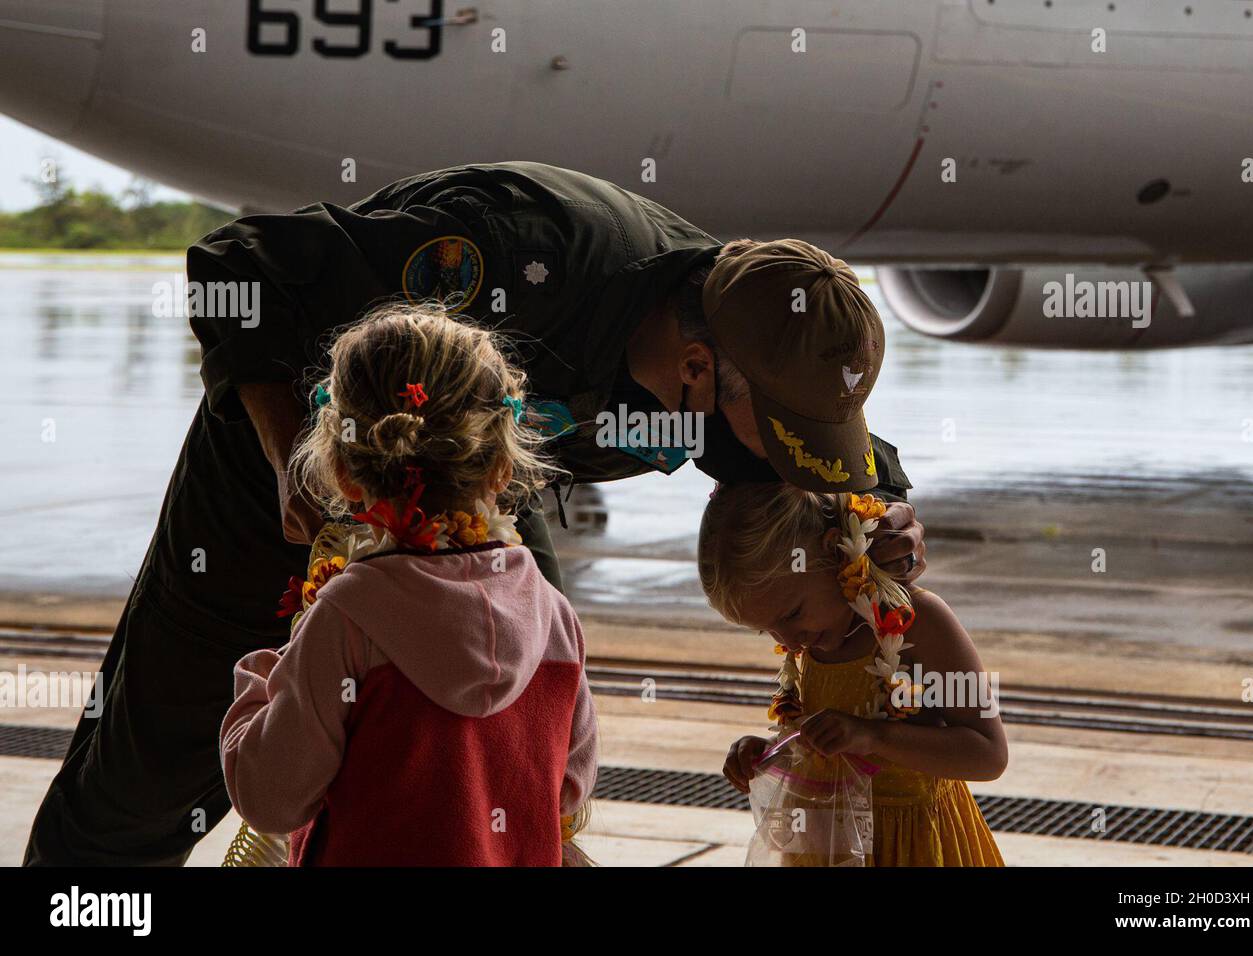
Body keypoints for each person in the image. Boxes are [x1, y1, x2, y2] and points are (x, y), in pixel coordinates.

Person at [25, 161, 925, 865]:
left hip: (477, 497)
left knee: (513, 736)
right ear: (696, 366)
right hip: (281, 478)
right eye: (770, 431)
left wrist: (884, 516)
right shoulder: (523, 256)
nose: (771, 456)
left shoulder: (753, 335)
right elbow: (242, 267)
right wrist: (287, 456)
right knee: (145, 783)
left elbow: (839, 462)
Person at [219, 304, 596, 865]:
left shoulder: (348, 616)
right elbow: (569, 790)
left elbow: (273, 798)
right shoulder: (552, 614)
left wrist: (258, 687)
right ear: (502, 468)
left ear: (344, 473)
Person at [699, 484, 1006, 866]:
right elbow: (821, 746)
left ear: (835, 551)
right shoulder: (811, 640)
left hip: (914, 849)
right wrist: (773, 753)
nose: (790, 641)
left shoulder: (918, 622)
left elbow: (988, 754)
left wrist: (873, 736)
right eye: (768, 631)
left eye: (792, 614)